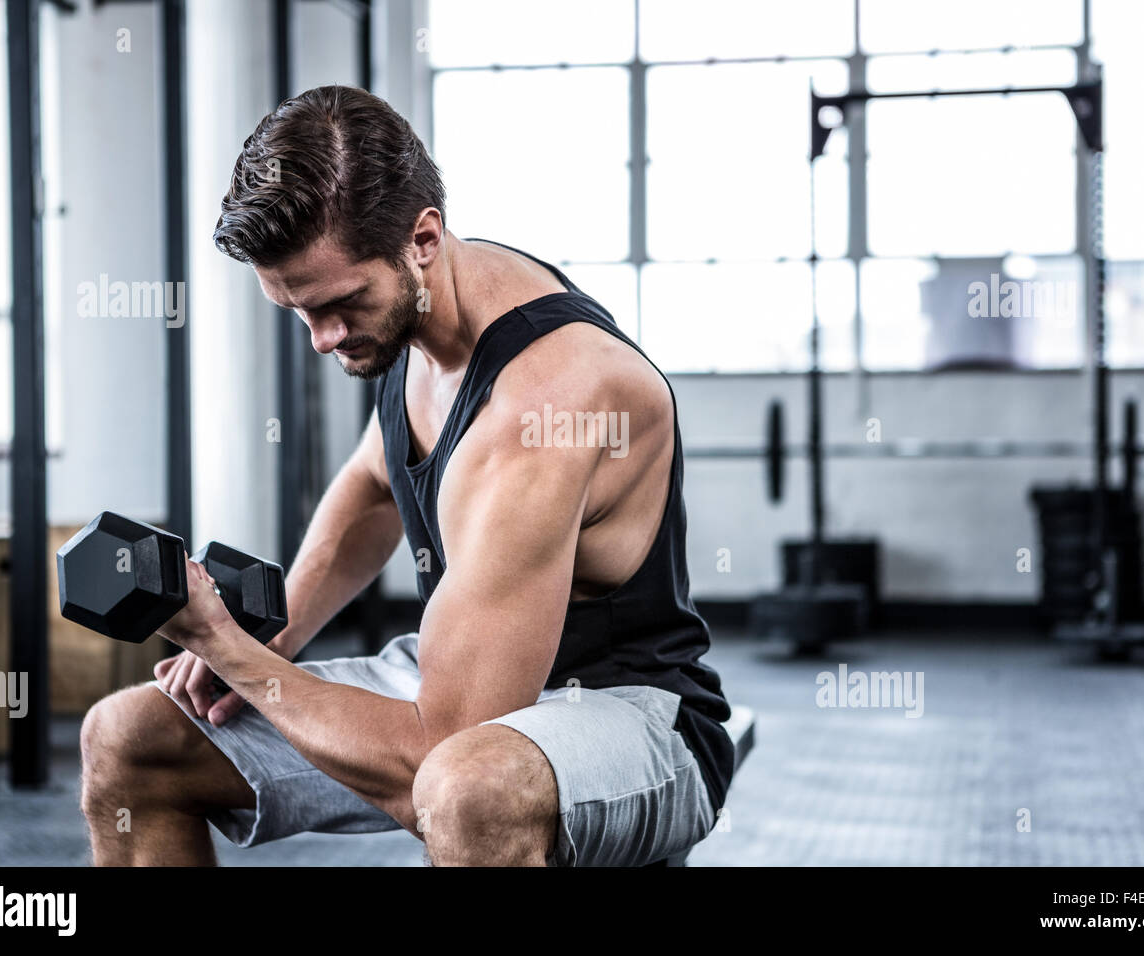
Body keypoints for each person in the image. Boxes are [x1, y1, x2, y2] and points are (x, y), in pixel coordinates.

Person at [79, 85, 732, 867]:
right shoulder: (416, 312)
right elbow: (372, 485)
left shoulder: (546, 401)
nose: (323, 339)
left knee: (469, 791)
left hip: (632, 712)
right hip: (465, 678)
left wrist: (226, 647)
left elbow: (438, 751)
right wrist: (274, 632)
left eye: (340, 304)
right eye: (298, 310)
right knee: (129, 736)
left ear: (423, 237)